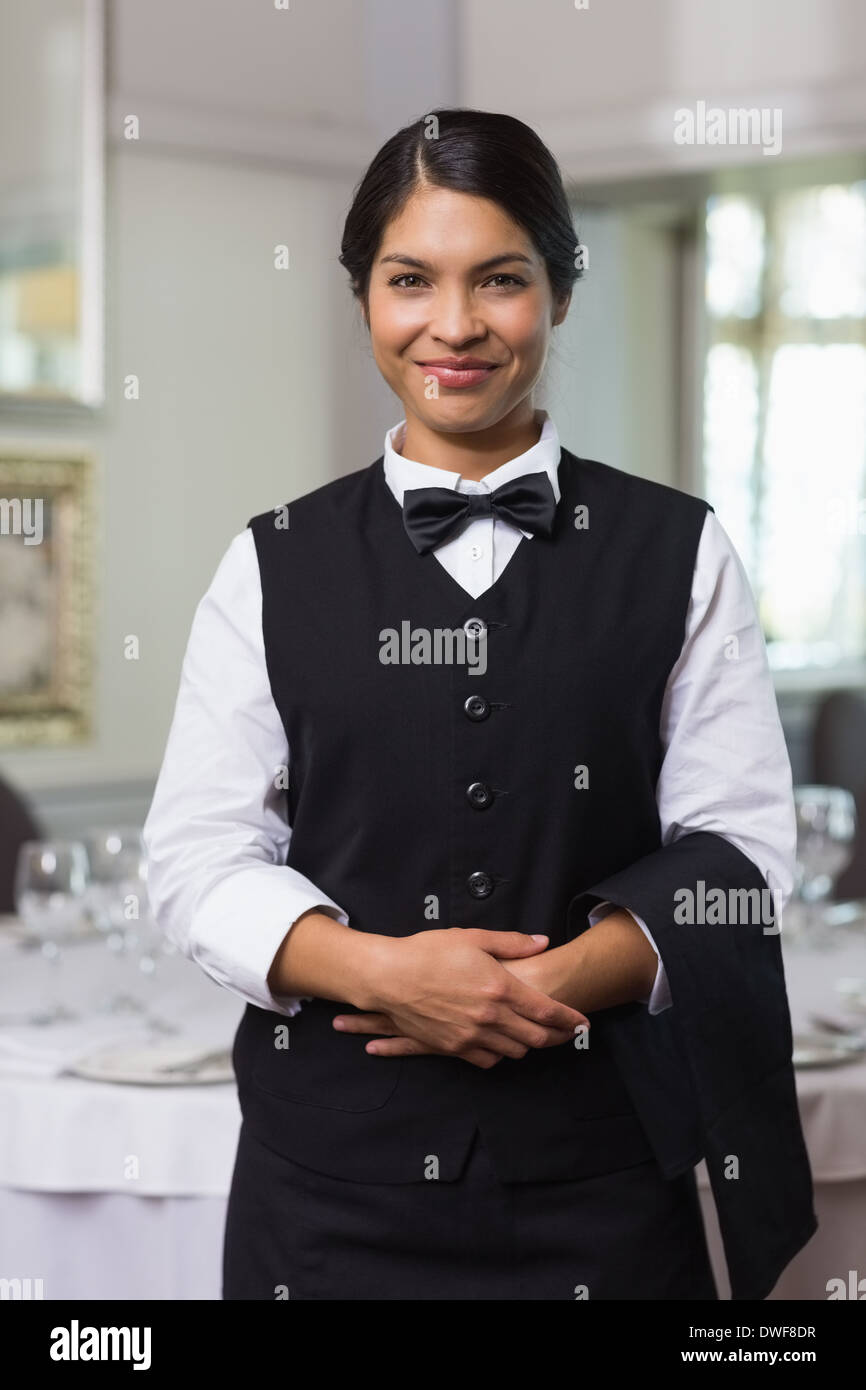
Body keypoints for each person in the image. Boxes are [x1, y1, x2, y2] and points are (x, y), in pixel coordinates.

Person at [142, 108, 816, 1301]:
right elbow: (196, 856)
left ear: (556, 291)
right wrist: (374, 970)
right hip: (327, 1200)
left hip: (600, 1184)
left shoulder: (680, 550)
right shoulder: (269, 562)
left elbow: (738, 849)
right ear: (362, 299)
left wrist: (536, 991)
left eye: (498, 280)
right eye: (410, 280)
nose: (452, 326)